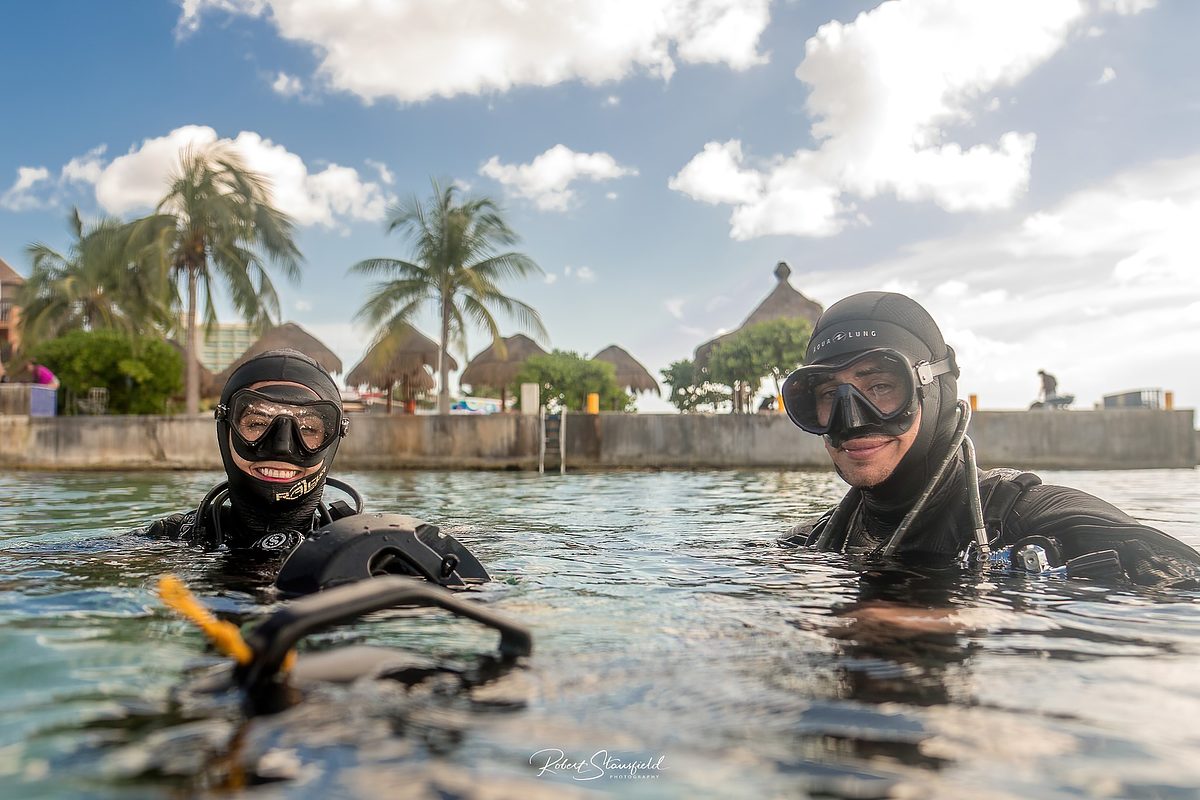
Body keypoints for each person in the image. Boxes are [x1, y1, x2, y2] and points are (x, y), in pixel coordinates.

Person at [778, 291, 1200, 587]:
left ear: (934, 390)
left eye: (881, 387)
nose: (851, 420)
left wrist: (1008, 621)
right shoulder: (814, 541)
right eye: (829, 395)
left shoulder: (1034, 518)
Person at [147, 348, 488, 585]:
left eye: (308, 428)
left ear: (334, 437)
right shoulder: (171, 541)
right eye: (257, 423)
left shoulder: (372, 543)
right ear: (225, 427)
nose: (282, 446)